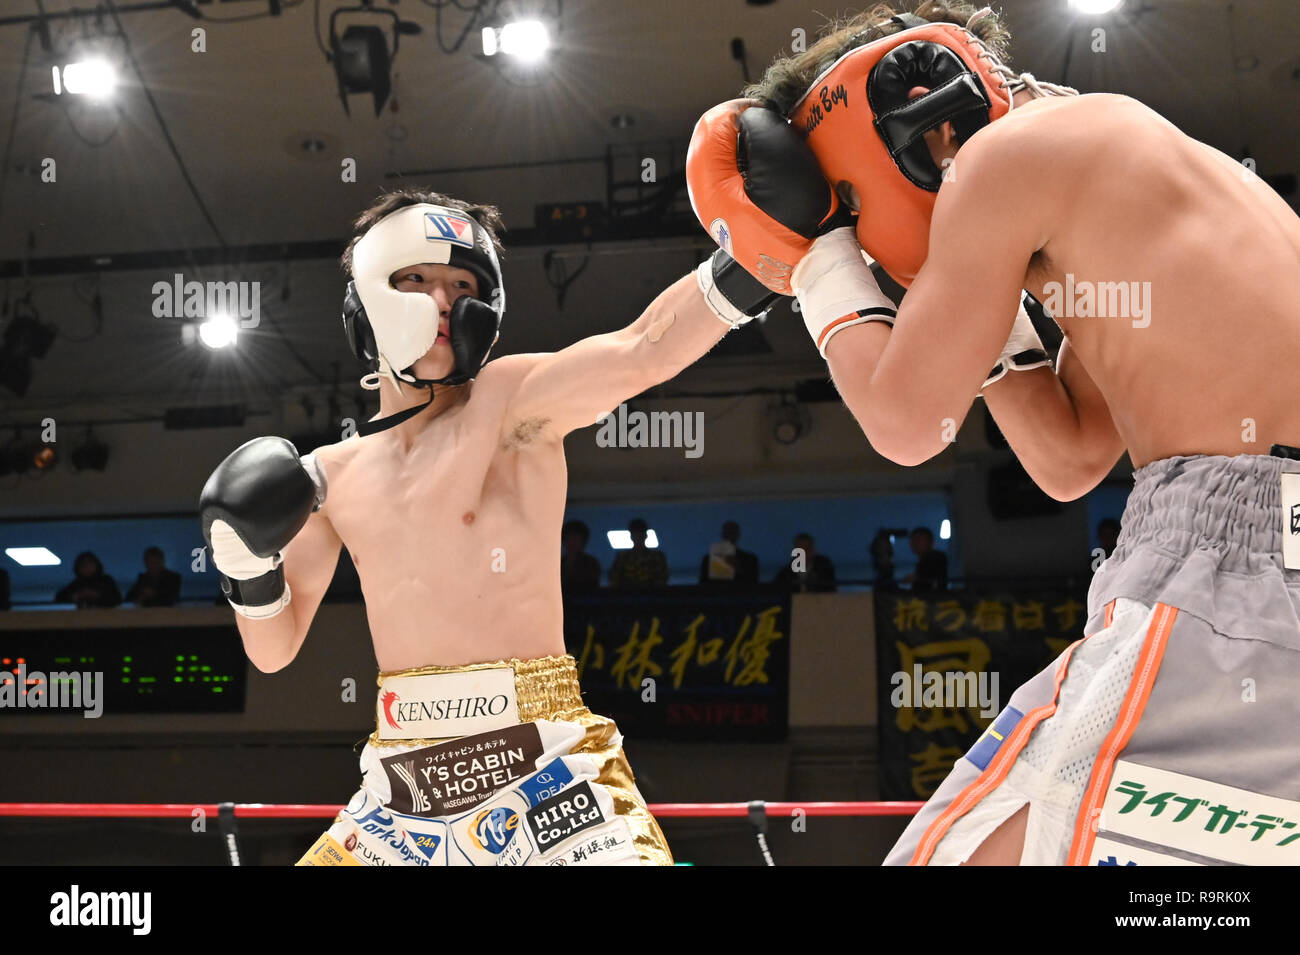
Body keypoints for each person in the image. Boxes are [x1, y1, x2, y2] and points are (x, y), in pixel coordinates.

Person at [689, 2, 1300, 866]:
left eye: (849, 200)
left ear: (916, 123)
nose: (864, 238)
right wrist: (990, 321)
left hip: (1225, 571)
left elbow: (906, 425)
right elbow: (1071, 456)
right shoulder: (1131, 159)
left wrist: (818, 261)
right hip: (1255, 564)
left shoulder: (1002, 158)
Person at [200, 188, 778, 867]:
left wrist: (764, 252)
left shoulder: (508, 405)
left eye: (461, 283)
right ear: (368, 298)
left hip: (544, 767)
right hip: (399, 794)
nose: (441, 301)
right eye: (415, 279)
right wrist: (244, 564)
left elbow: (639, 351)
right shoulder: (329, 477)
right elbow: (272, 650)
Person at [608, 518, 669, 591]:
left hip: (651, 598)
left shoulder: (657, 557)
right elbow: (614, 580)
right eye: (636, 534)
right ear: (631, 537)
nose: (638, 537)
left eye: (640, 534)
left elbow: (662, 580)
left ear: (645, 536)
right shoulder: (622, 557)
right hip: (627, 598)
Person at [698, 519, 759, 588]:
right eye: (727, 533)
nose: (729, 536)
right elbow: (704, 585)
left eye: (732, 533)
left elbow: (753, 584)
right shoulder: (708, 560)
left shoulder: (750, 559)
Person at [772, 532, 837, 593]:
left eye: (806, 549)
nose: (803, 553)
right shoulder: (786, 574)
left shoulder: (824, 569)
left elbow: (831, 591)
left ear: (813, 550)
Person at [54, 551, 121, 608]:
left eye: (90, 563)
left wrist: (96, 595)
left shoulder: (106, 581)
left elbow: (117, 599)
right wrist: (76, 596)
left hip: (106, 618)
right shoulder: (77, 584)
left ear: (96, 565)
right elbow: (59, 599)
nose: (87, 567)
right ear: (78, 568)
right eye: (83, 565)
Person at [559, 520, 601, 595]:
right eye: (570, 538)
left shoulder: (591, 563)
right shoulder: (558, 564)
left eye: (577, 539)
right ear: (564, 540)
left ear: (583, 541)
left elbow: (591, 585)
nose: (573, 542)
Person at [905, 527, 948, 592]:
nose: (915, 543)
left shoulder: (937, 558)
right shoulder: (922, 560)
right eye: (913, 540)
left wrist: (918, 578)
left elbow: (934, 580)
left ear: (930, 541)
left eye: (919, 539)